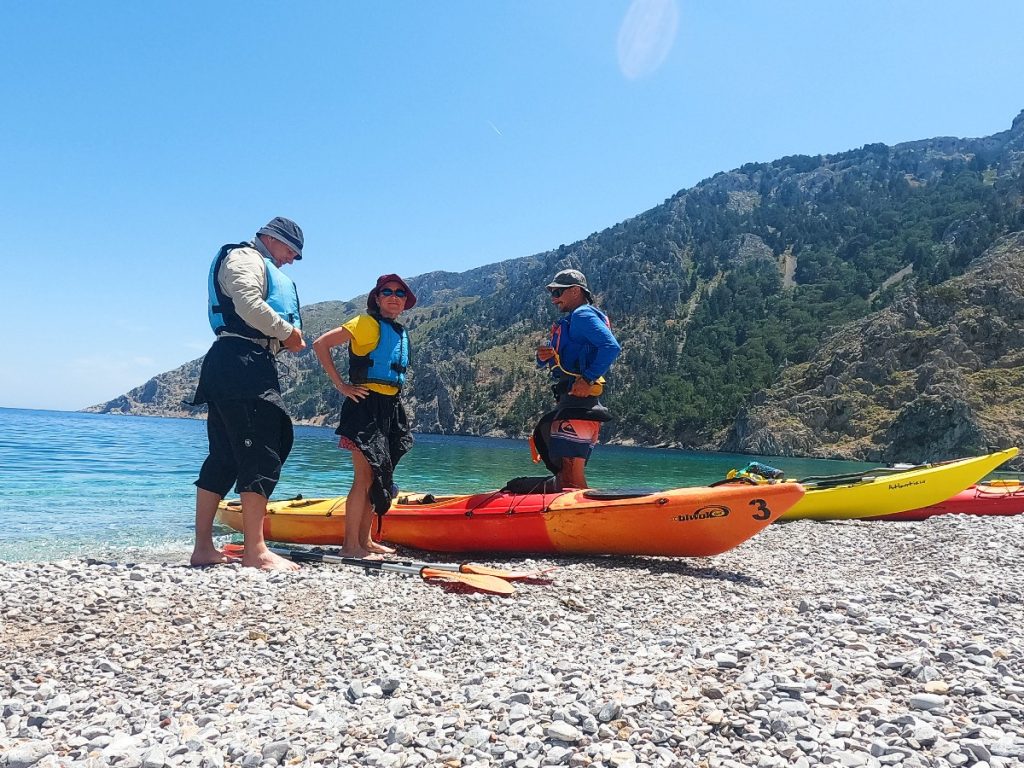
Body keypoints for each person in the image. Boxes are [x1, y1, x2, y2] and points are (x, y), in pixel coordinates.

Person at [190, 217, 306, 571]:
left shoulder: (253, 260)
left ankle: (203, 549)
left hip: (233, 362)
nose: (290, 260)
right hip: (243, 362)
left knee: (225, 455)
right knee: (262, 448)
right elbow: (248, 304)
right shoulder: (245, 258)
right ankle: (256, 552)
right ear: (273, 239)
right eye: (291, 251)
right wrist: (288, 333)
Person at [313, 274, 416, 558]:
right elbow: (321, 344)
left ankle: (365, 541)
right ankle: (350, 546)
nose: (394, 296)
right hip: (365, 405)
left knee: (378, 476)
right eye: (387, 292)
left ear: (405, 302)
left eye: (400, 293)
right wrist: (341, 385)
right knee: (363, 477)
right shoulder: (364, 323)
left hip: (390, 408)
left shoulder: (400, 332)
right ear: (378, 298)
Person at [532, 268, 621, 489]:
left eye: (557, 292)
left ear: (574, 291)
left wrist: (588, 378)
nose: (553, 299)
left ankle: (589, 519)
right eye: (551, 293)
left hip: (578, 406)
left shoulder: (582, 315)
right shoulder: (575, 320)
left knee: (571, 475)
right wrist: (543, 357)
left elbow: (611, 347)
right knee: (565, 475)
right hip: (573, 404)